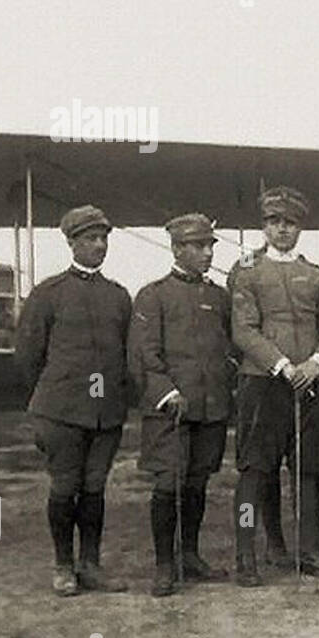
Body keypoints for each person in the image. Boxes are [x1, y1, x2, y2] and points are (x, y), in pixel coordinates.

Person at [230, 186, 319, 585]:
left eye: (290, 223)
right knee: (254, 470)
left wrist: (317, 363)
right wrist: (282, 365)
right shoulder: (246, 270)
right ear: (264, 226)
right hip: (263, 383)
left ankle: (310, 551)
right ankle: (247, 553)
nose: (281, 230)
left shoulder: (316, 275)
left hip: (311, 384)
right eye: (273, 222)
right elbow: (243, 331)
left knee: (310, 469)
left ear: (301, 227)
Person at [15, 205, 131, 596]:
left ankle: (91, 564)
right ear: (71, 244)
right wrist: (52, 398)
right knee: (65, 487)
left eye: (103, 239)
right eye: (89, 239)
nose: (99, 246)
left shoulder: (118, 296)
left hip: (106, 414)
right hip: (61, 412)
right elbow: (29, 356)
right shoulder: (48, 294)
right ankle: (63, 566)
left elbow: (126, 354)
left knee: (95, 488)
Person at [129, 213, 236, 596]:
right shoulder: (153, 296)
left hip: (210, 407)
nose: (207, 253)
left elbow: (230, 346)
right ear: (177, 249)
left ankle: (189, 555)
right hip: (169, 411)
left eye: (210, 246)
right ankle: (163, 564)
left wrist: (227, 379)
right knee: (168, 483)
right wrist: (166, 392)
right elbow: (144, 355)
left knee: (197, 482)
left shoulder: (218, 297)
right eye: (199, 246)